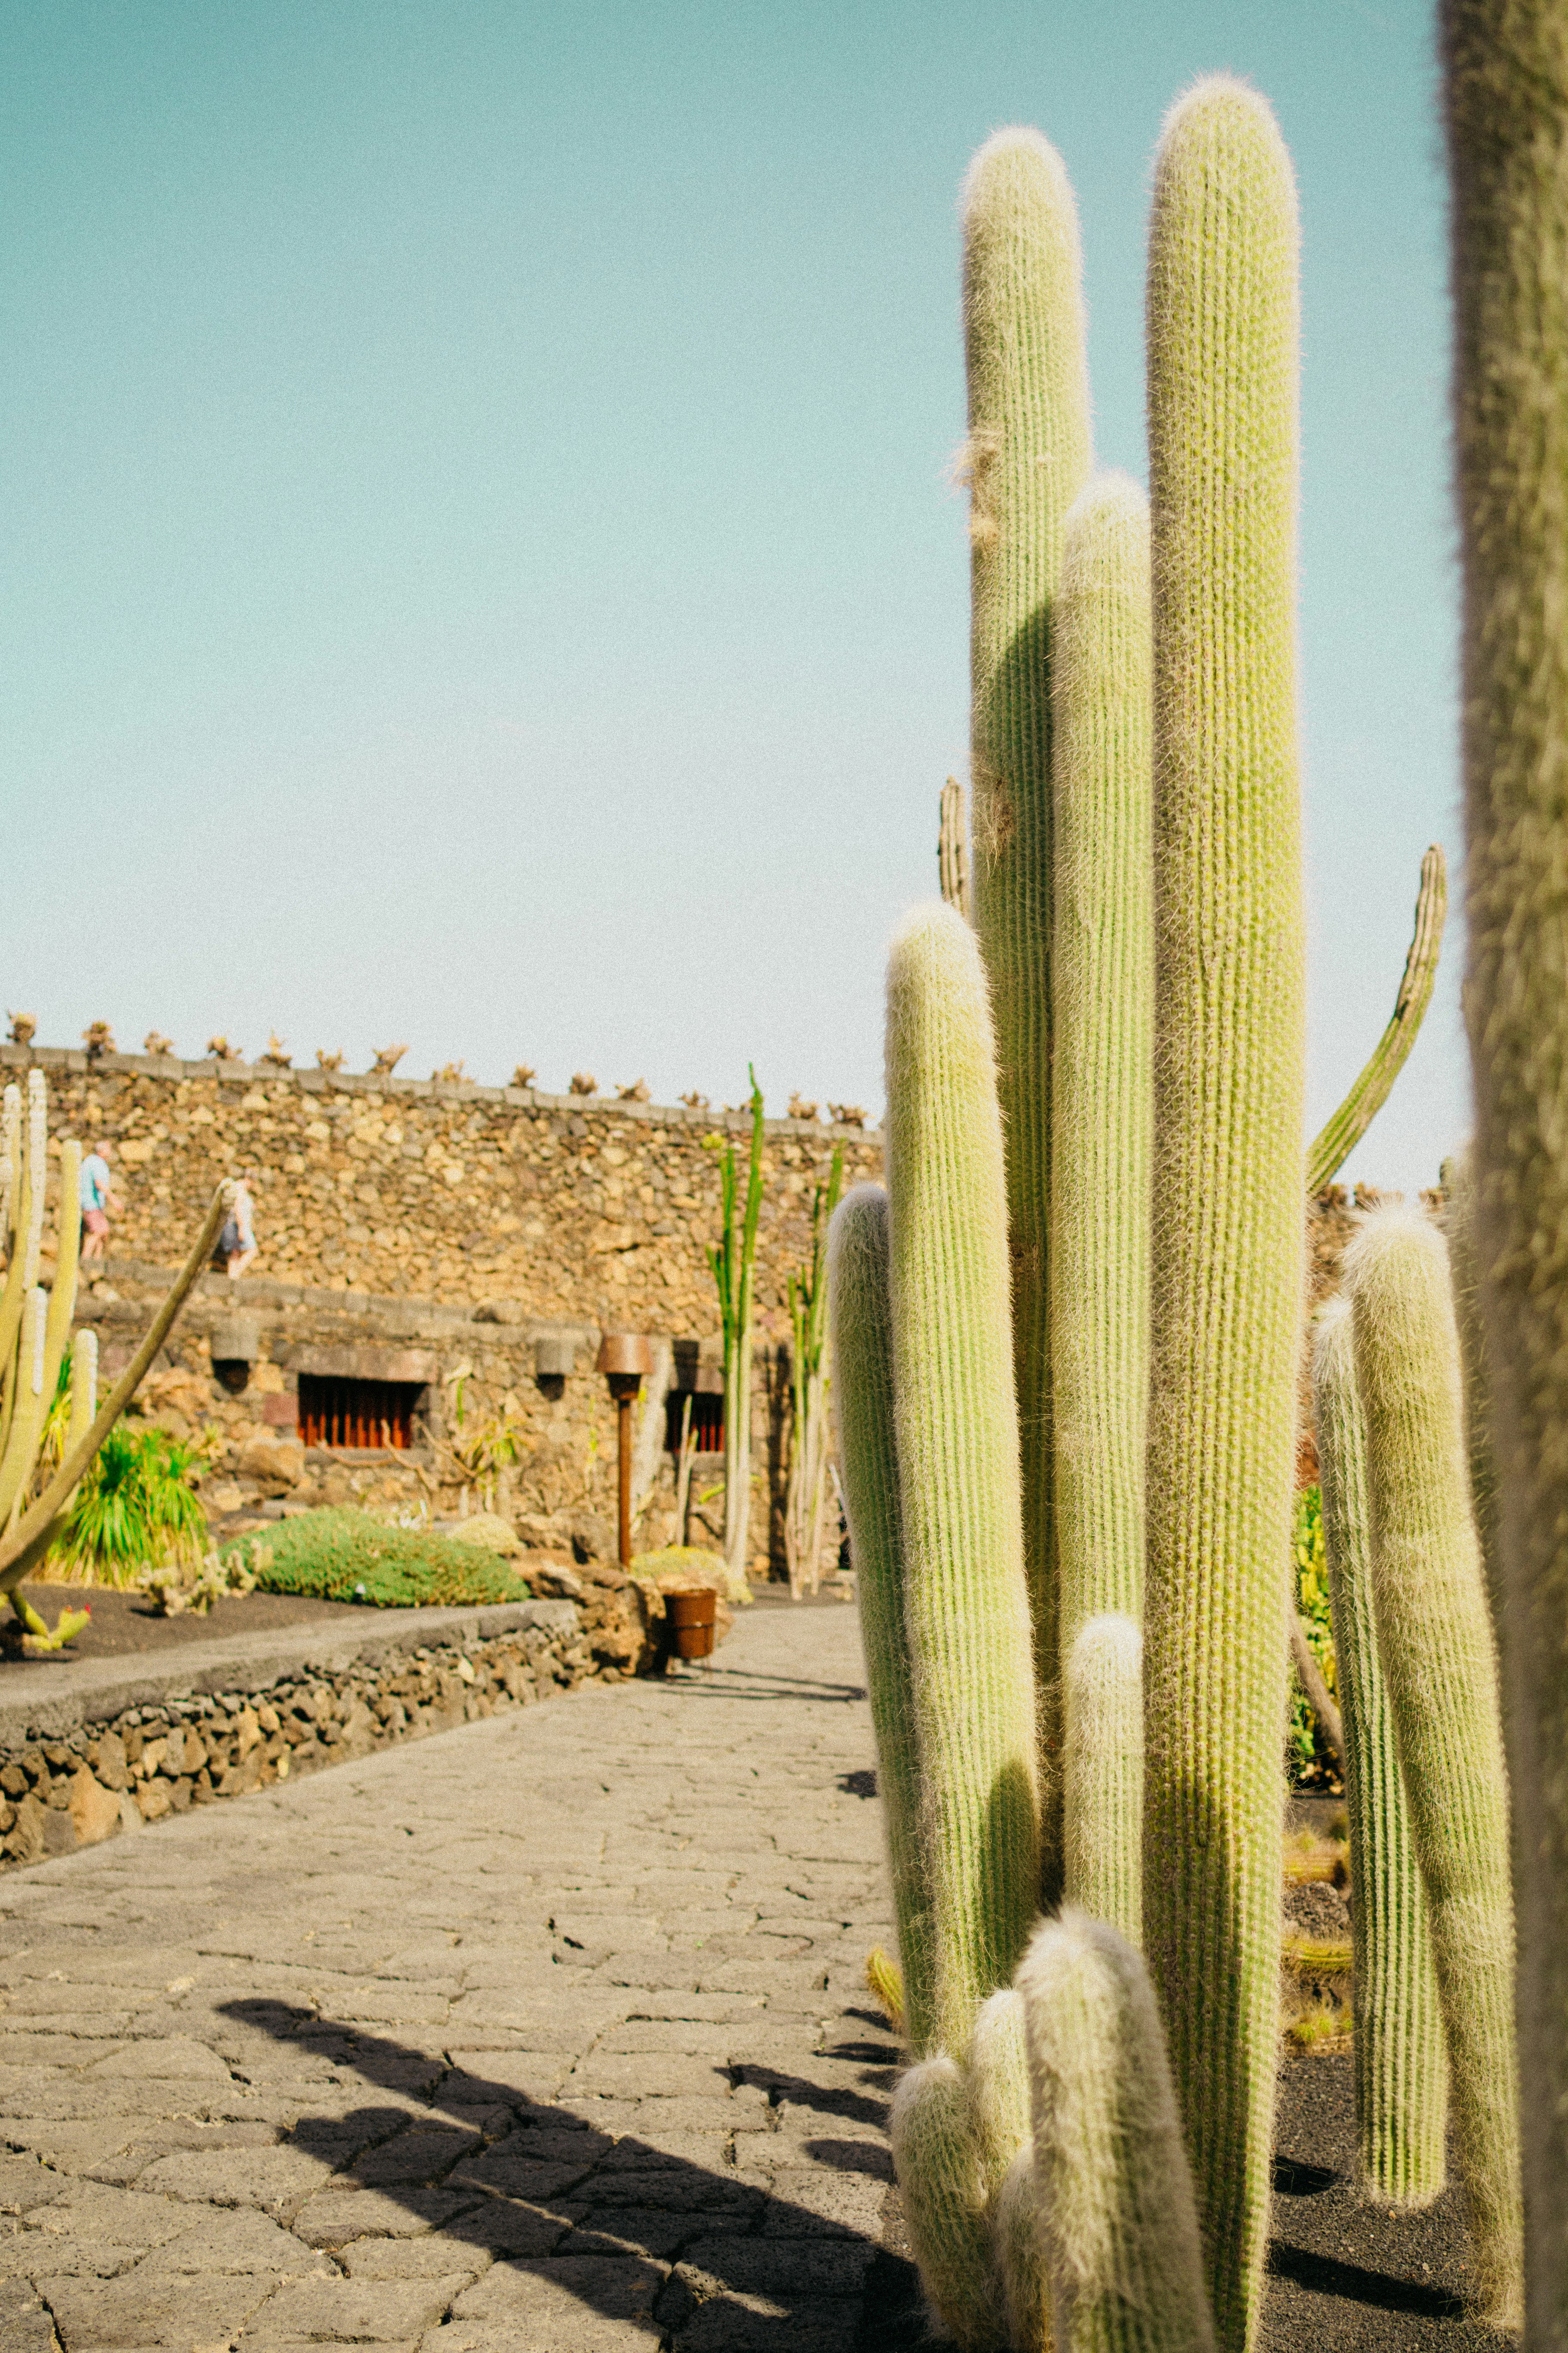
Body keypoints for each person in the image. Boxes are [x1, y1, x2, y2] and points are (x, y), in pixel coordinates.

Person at [79, 1141, 120, 1263]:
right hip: (91, 1204)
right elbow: (99, 1184)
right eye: (108, 1149)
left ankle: (97, 1262)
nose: (110, 1151)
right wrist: (115, 1201)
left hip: (93, 1204)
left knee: (104, 1232)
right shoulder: (96, 1162)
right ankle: (85, 1260)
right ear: (102, 1150)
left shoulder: (92, 1161)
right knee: (99, 1231)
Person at [222, 1171, 259, 1280]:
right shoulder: (240, 1189)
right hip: (236, 1225)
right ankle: (235, 1274)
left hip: (231, 1225)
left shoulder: (237, 1188)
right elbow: (237, 1208)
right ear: (247, 1179)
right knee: (253, 1250)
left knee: (234, 1253)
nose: (252, 1185)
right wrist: (241, 1228)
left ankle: (232, 1277)